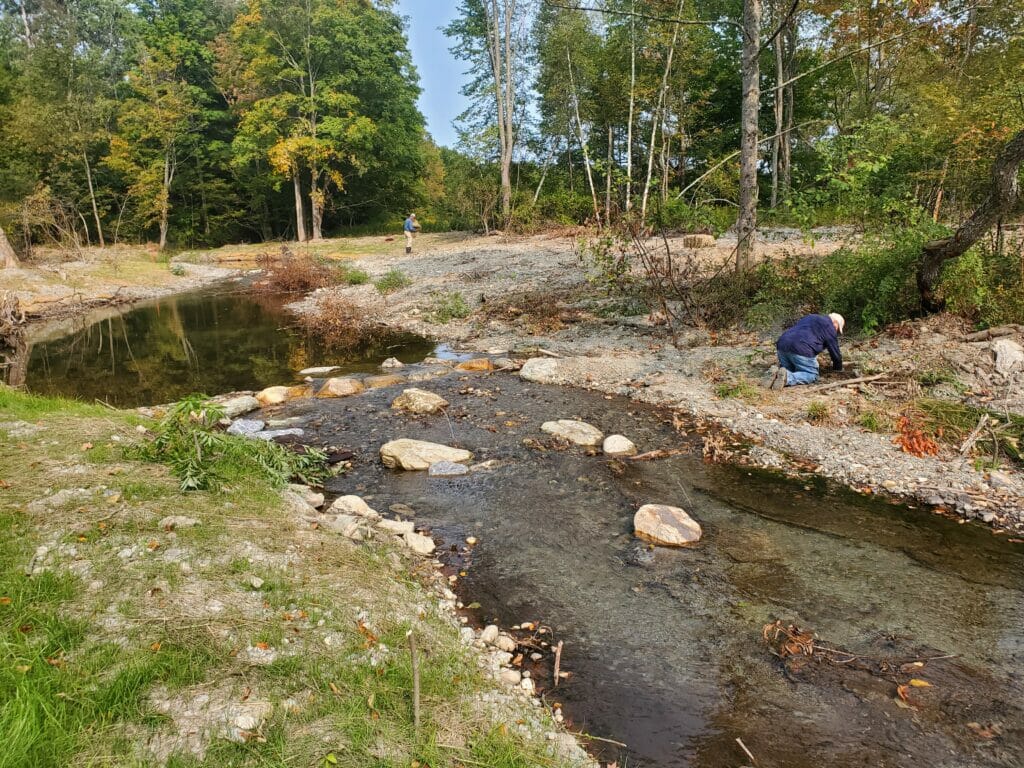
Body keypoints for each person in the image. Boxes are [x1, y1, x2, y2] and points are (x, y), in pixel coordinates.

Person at [766, 312, 845, 389]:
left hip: (782, 345)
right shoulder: (829, 326)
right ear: (835, 322)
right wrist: (838, 368)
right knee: (812, 375)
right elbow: (835, 352)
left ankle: (776, 374)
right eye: (837, 329)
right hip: (801, 347)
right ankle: (788, 378)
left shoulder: (811, 317)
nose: (836, 332)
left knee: (788, 370)